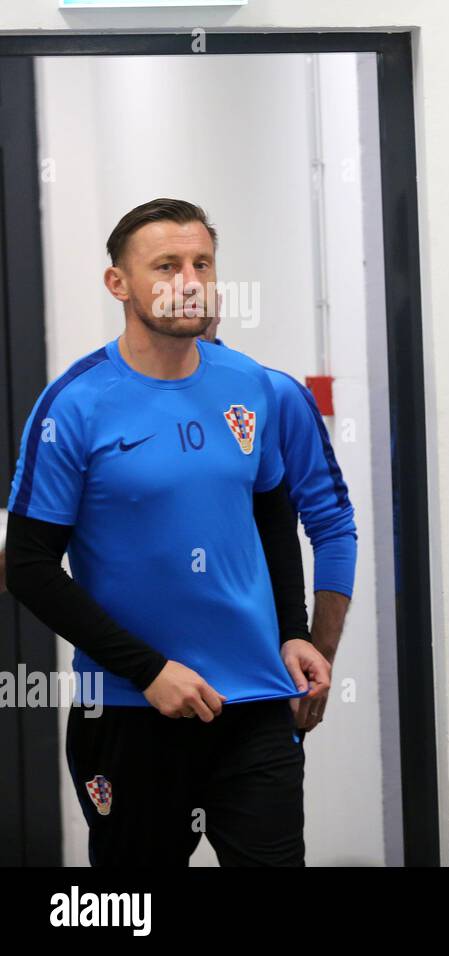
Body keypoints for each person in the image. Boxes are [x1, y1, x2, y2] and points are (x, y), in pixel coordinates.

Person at [5, 198, 330, 866]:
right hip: (129, 711)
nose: (189, 280)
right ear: (118, 284)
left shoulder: (250, 385)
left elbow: (272, 513)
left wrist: (294, 629)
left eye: (201, 263)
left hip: (255, 702)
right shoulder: (74, 404)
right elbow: (29, 564)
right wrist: (148, 670)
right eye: (165, 265)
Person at [199, 317, 357, 739]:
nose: (188, 287)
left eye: (202, 268)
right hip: (144, 688)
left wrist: (316, 658)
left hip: (261, 682)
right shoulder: (105, 399)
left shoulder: (274, 395)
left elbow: (333, 525)